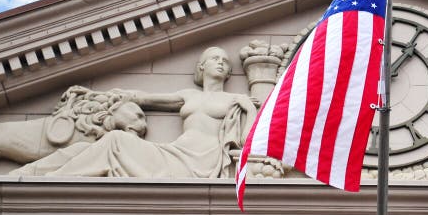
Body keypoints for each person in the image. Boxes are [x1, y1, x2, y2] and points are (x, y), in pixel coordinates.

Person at [23, 46, 256, 179]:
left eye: (225, 61)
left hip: (199, 164)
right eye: (214, 58)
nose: (221, 63)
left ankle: (56, 178)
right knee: (93, 146)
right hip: (175, 154)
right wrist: (99, 94)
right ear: (201, 67)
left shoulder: (235, 100)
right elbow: (143, 98)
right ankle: (41, 174)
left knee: (115, 140)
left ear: (228, 74)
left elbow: (249, 141)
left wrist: (249, 108)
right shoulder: (189, 95)